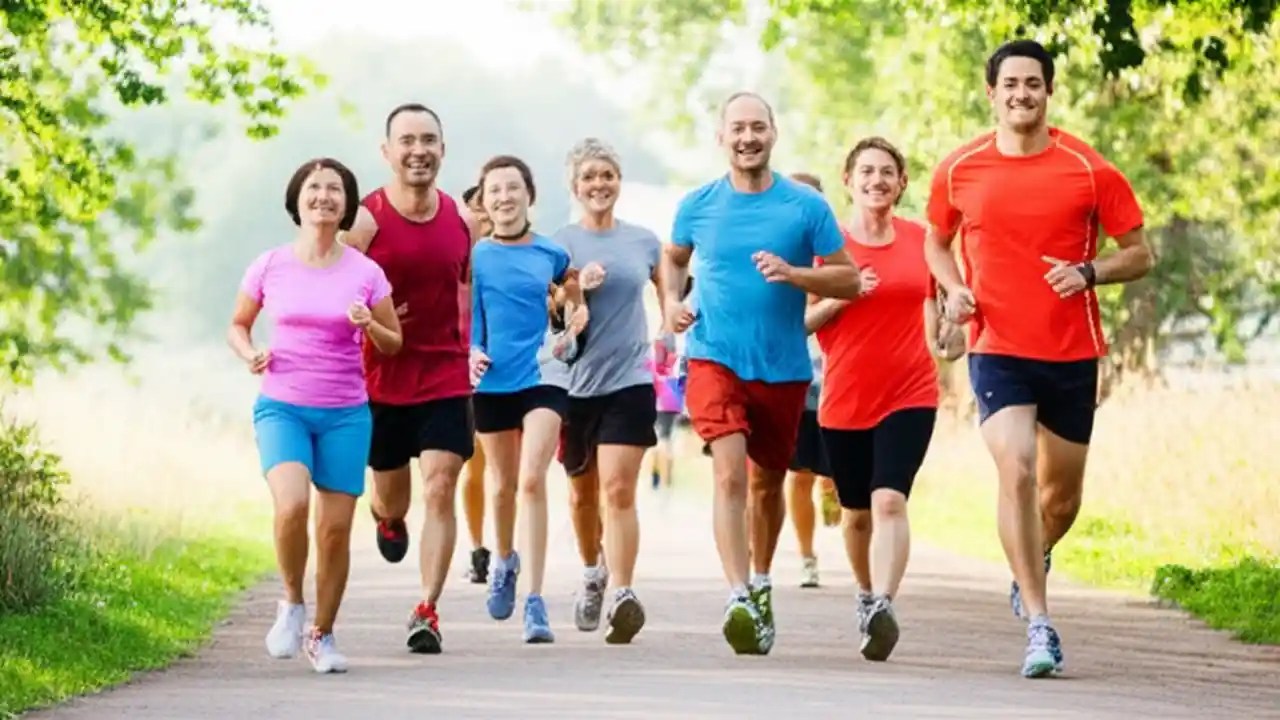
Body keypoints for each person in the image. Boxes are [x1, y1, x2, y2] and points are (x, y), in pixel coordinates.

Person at [924, 40, 1154, 678]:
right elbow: (936, 242)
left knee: (1059, 499)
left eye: (1033, 83)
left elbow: (1140, 253)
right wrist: (953, 288)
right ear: (991, 92)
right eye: (1010, 84)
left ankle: (1038, 551)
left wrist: (1089, 271)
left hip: (1072, 349)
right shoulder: (959, 168)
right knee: (1016, 473)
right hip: (997, 347)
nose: (1021, 94)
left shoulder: (1089, 169)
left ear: (1048, 91)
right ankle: (1040, 623)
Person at [663, 91, 861, 656]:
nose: (747, 137)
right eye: (737, 128)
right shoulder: (697, 204)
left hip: (781, 365)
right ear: (720, 138)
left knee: (766, 482)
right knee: (729, 474)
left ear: (773, 133)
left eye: (758, 127)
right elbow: (674, 258)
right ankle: (738, 593)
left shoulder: (805, 208)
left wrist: (797, 275)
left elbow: (847, 280)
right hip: (713, 354)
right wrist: (672, 305)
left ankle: (763, 580)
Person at [229, 157, 403, 673]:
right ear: (297, 200)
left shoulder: (367, 272)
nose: (323, 196)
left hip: (346, 413)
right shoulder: (271, 264)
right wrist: (248, 353)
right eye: (313, 188)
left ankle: (322, 635)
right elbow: (238, 324)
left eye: (334, 189)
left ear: (347, 205)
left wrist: (370, 323)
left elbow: (394, 343)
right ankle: (291, 601)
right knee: (290, 506)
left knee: (334, 531)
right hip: (282, 405)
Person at [340, 103, 480, 654]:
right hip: (382, 378)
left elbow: (473, 292)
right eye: (407, 140)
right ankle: (387, 519)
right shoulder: (366, 219)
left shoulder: (462, 222)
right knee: (392, 498)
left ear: (443, 150)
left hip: (446, 372)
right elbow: (334, 284)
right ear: (387, 152)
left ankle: (427, 608)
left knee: (442, 486)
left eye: (429, 140)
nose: (418, 150)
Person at [807, 136, 943, 663]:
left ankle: (885, 604)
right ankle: (865, 597)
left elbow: (938, 304)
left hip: (910, 390)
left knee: (890, 500)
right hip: (845, 398)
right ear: (849, 181)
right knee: (856, 514)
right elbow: (803, 322)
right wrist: (845, 294)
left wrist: (952, 330)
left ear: (902, 182)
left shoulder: (921, 240)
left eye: (887, 172)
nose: (877, 181)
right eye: (866, 171)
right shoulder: (829, 248)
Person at [470, 154, 588, 644]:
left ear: (529, 195)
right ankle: (504, 561)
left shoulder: (552, 253)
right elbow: (468, 311)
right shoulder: (473, 255)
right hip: (492, 377)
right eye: (494, 189)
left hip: (545, 373)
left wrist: (576, 314)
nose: (504, 197)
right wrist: (471, 350)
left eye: (513, 188)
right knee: (500, 484)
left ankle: (536, 602)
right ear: (483, 200)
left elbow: (573, 300)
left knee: (532, 478)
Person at [552, 137, 664, 644]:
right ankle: (593, 571)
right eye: (590, 177)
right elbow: (550, 312)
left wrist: (670, 329)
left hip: (630, 380)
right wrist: (576, 290)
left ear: (618, 181)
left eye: (607, 175)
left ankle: (624, 591)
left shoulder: (643, 241)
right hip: (574, 386)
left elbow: (671, 289)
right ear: (575, 187)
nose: (600, 184)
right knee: (582, 495)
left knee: (618, 490)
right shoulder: (560, 243)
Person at [781, 171, 836, 590]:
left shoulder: (837, 254)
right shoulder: (775, 254)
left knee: (836, 473)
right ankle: (807, 556)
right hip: (794, 379)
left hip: (839, 379)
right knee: (798, 474)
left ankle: (833, 486)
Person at [459, 183, 493, 584]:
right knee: (475, 466)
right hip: (461, 369)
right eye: (476, 211)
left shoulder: (516, 255)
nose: (483, 217)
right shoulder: (456, 260)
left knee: (506, 470)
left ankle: (502, 544)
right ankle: (478, 545)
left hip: (508, 369)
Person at [648, 332, 683, 490]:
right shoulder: (677, 361)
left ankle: (655, 477)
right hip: (673, 403)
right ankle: (667, 479)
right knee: (667, 440)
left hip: (658, 402)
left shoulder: (653, 362)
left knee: (657, 441)